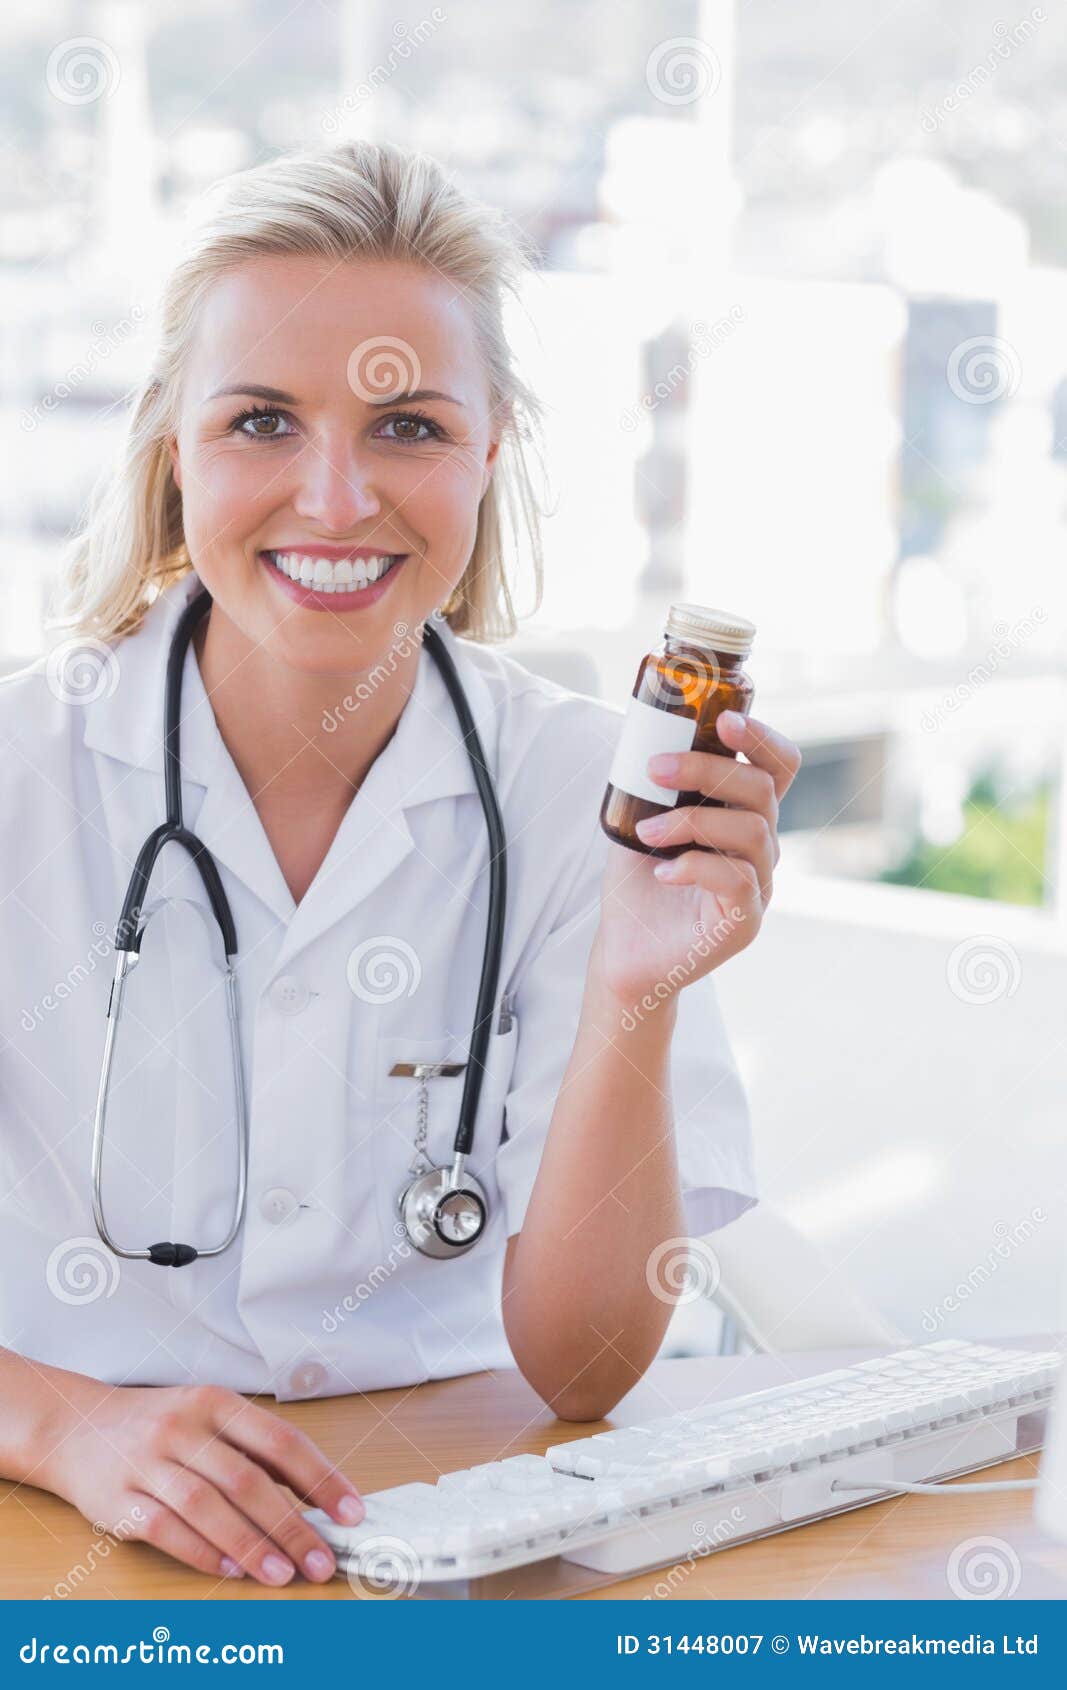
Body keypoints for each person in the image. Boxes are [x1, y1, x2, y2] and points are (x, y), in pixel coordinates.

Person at [0, 140, 801, 1588]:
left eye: (410, 429)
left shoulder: (581, 793)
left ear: (492, 454)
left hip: (454, 1528)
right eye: (261, 421)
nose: (335, 496)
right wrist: (66, 1427)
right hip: (58, 1527)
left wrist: (636, 987)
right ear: (171, 450)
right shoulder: (18, 769)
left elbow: (588, 1368)